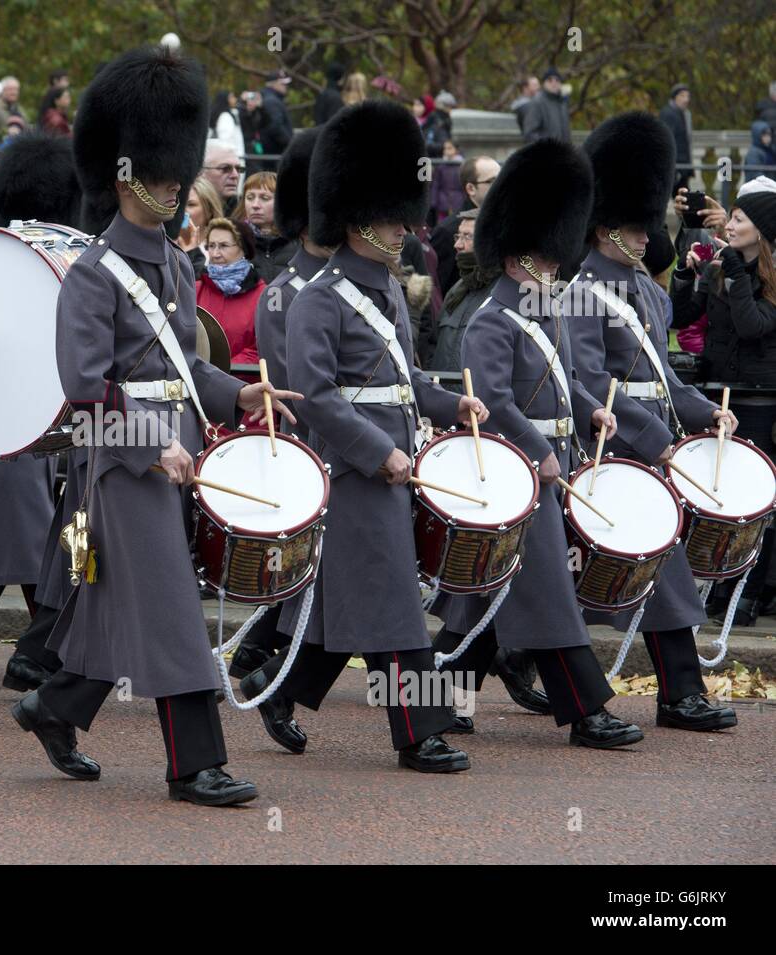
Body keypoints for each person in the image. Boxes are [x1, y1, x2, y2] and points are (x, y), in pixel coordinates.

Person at [12, 46, 298, 805]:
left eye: (179, 171)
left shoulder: (174, 265)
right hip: (123, 462)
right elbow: (86, 388)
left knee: (121, 601)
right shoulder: (93, 274)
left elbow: (184, 368)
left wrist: (238, 396)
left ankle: (56, 704)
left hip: (179, 449)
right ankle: (193, 764)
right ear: (125, 173)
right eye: (163, 172)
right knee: (173, 609)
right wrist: (152, 443)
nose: (176, 184)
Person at [240, 100, 481, 773]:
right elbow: (316, 397)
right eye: (389, 220)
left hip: (391, 469)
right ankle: (420, 732)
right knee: (395, 608)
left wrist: (451, 402)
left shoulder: (386, 290)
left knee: (356, 602)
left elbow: (402, 383)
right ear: (357, 221)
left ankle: (279, 687)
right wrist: (379, 453)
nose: (403, 229)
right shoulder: (320, 297)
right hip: (355, 473)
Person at [430, 136, 644, 749]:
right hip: (519, 472)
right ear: (518, 257)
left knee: (491, 599)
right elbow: (493, 402)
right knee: (550, 589)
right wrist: (540, 451)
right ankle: (585, 711)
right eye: (546, 261)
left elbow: (569, 382)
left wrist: (593, 415)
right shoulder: (491, 320)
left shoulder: (545, 312)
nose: (554, 270)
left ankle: (444, 693)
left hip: (553, 465)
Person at [566, 111, 738, 732]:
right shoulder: (584, 291)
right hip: (620, 450)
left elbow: (663, 378)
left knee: (650, 571)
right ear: (608, 229)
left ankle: (500, 655)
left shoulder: (642, 289)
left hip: (653, 445)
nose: (649, 240)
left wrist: (705, 412)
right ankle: (679, 696)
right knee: (655, 572)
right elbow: (586, 382)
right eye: (639, 230)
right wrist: (659, 438)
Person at [0, 133, 74, 670]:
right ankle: (37, 649)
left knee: (11, 526)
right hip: (14, 402)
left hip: (19, 403)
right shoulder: (60, 252)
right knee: (20, 527)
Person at [231, 126, 332, 677]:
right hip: (309, 442)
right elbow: (293, 385)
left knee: (322, 566)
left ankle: (261, 656)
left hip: (343, 442)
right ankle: (268, 661)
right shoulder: (284, 293)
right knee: (314, 562)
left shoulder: (344, 286)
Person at [671, 178, 776, 625]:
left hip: (759, 405)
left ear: (762, 229)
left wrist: (733, 271)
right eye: (731, 218)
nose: (730, 225)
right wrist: (688, 273)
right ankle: (717, 583)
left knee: (755, 501)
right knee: (716, 497)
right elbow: (681, 318)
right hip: (718, 401)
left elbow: (753, 325)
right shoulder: (721, 267)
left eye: (739, 218)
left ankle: (749, 590)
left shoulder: (767, 277)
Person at [428, 208, 496, 372]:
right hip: (445, 395)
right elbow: (434, 344)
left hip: (477, 396)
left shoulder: (502, 293)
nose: (457, 245)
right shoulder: (457, 290)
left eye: (467, 237)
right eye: (458, 236)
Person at [196, 217, 264, 367]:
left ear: (243, 249)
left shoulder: (264, 295)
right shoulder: (195, 289)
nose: (215, 253)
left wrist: (223, 372)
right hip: (198, 383)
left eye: (223, 246)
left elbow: (261, 348)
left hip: (244, 383)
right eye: (211, 246)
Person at [428, 154, 499, 298]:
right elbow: (438, 289)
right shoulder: (447, 231)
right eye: (493, 181)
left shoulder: (503, 223)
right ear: (471, 188)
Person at [234, 170, 292, 280]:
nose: (255, 205)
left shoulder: (299, 242)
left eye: (265, 198)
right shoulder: (234, 241)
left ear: (281, 202)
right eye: (250, 198)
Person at [177, 177, 221, 271]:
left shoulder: (219, 250)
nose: (181, 210)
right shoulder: (162, 244)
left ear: (209, 211)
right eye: (177, 203)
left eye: (191, 204)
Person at [256, 68, 294, 166]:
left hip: (273, 154)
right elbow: (276, 128)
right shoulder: (271, 101)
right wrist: (291, 145)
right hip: (274, 154)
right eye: (282, 83)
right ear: (273, 84)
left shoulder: (271, 98)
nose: (286, 86)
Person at [659, 84, 693, 193]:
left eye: (687, 96)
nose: (686, 100)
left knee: (684, 198)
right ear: (674, 97)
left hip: (682, 165)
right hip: (675, 166)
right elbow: (666, 140)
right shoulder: (668, 114)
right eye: (682, 96)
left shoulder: (683, 113)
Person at [522, 68, 570, 143]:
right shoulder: (537, 102)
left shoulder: (562, 103)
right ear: (544, 83)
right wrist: (548, 147)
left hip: (563, 152)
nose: (554, 82)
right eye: (550, 80)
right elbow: (529, 134)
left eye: (557, 80)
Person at [201, 140, 242, 215]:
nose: (235, 175)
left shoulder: (245, 210)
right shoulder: (184, 208)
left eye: (238, 169)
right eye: (225, 169)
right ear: (201, 172)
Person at [429, 138, 464, 224]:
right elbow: (436, 185)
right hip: (443, 202)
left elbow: (464, 186)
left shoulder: (462, 166)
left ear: (456, 150)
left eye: (449, 148)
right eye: (445, 148)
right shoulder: (441, 166)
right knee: (442, 224)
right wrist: (434, 201)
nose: (446, 151)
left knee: (456, 224)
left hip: (457, 201)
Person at [744, 121, 776, 185]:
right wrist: (770, 184)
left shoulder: (770, 149)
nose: (768, 138)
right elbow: (755, 174)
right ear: (757, 136)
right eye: (764, 135)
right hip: (760, 188)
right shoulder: (753, 153)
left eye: (769, 134)